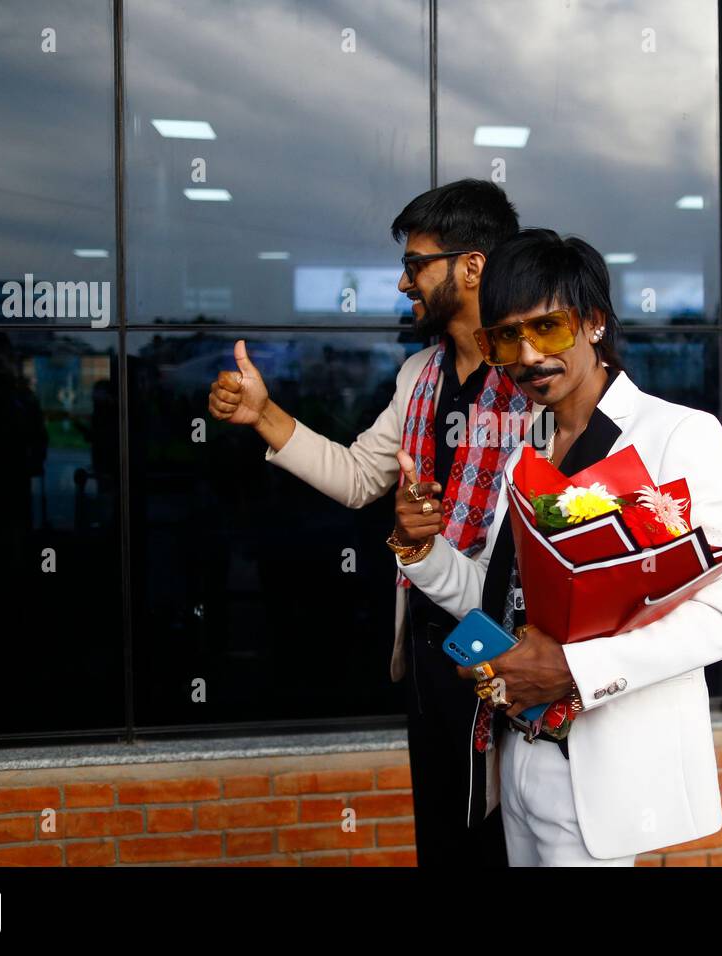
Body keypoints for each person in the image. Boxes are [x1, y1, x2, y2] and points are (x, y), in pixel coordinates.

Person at [391, 228, 722, 865]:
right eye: (506, 338)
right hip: (515, 759)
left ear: (593, 323)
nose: (530, 355)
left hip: (603, 774)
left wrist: (574, 671)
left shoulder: (679, 435)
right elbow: (494, 594)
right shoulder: (522, 452)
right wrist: (418, 548)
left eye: (549, 328)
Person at [207, 180, 532, 867]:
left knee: (505, 850)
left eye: (417, 264)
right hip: (426, 655)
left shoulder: (535, 380)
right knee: (444, 847)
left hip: (507, 660)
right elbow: (359, 477)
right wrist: (263, 415)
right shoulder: (420, 374)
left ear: (472, 267)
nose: (404, 281)